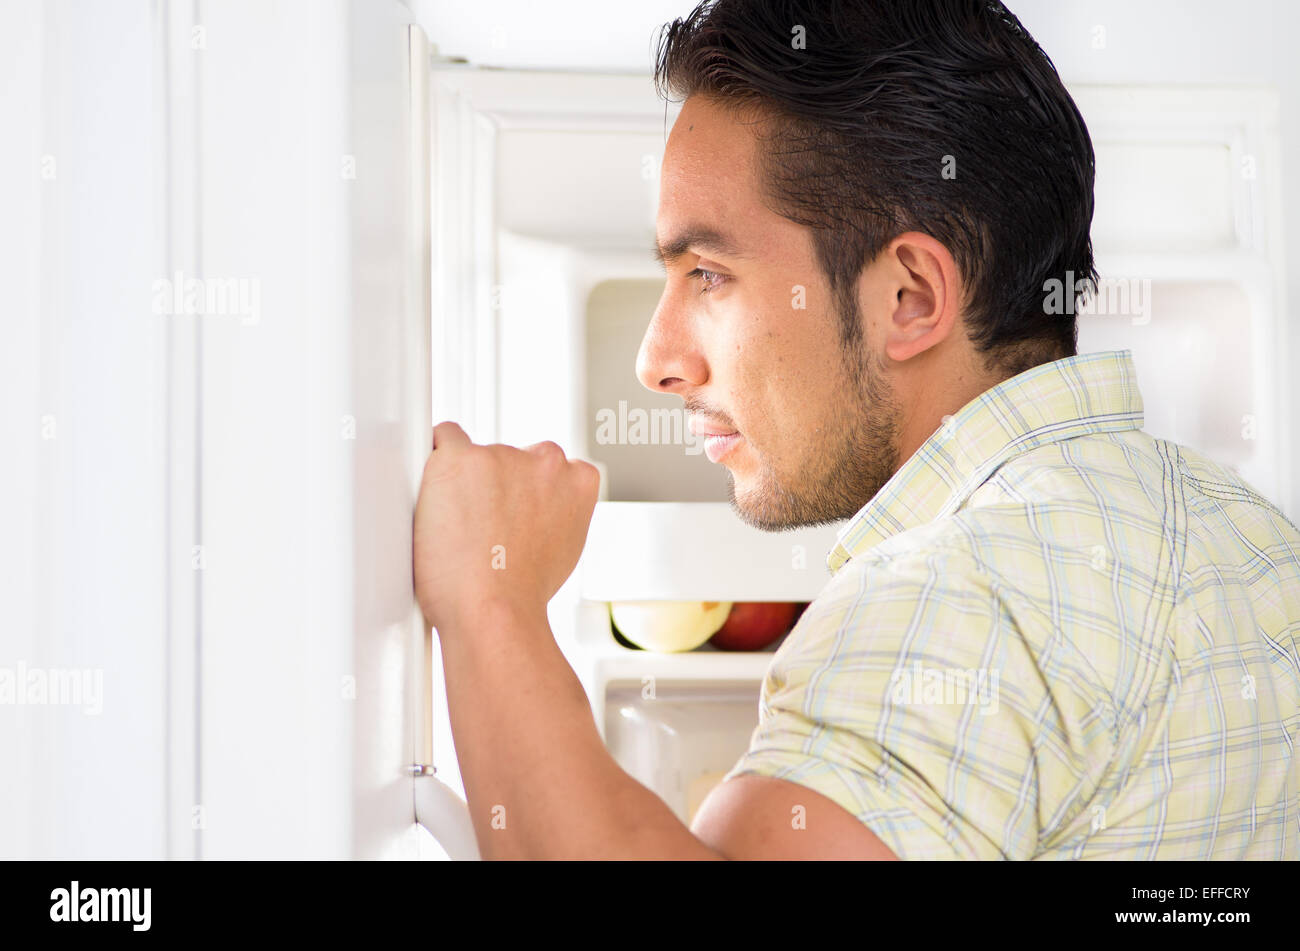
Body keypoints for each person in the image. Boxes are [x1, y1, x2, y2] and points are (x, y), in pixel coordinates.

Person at [412, 0, 1300, 859]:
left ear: (909, 296)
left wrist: (491, 604)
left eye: (709, 274)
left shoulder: (956, 596)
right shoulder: (1253, 537)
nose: (657, 360)